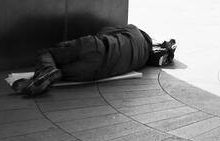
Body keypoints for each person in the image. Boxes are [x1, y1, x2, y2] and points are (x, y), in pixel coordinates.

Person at [11, 24, 176, 97]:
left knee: (46, 53)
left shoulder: (132, 29)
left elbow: (104, 31)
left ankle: (44, 73)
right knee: (60, 70)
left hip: (96, 46)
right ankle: (41, 78)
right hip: (95, 72)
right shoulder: (141, 60)